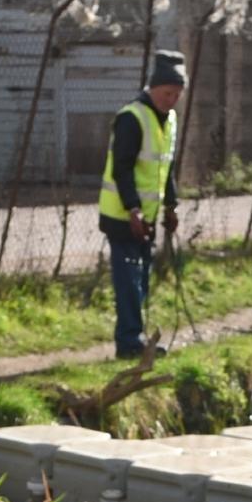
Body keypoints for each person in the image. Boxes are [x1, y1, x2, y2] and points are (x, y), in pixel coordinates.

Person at [98, 51, 186, 359]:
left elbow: (165, 168)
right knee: (128, 279)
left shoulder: (169, 120)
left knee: (141, 278)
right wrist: (133, 209)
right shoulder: (131, 118)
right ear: (154, 88)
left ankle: (135, 338)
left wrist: (171, 207)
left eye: (176, 95)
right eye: (167, 93)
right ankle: (128, 342)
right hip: (121, 216)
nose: (171, 100)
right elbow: (122, 168)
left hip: (145, 216)